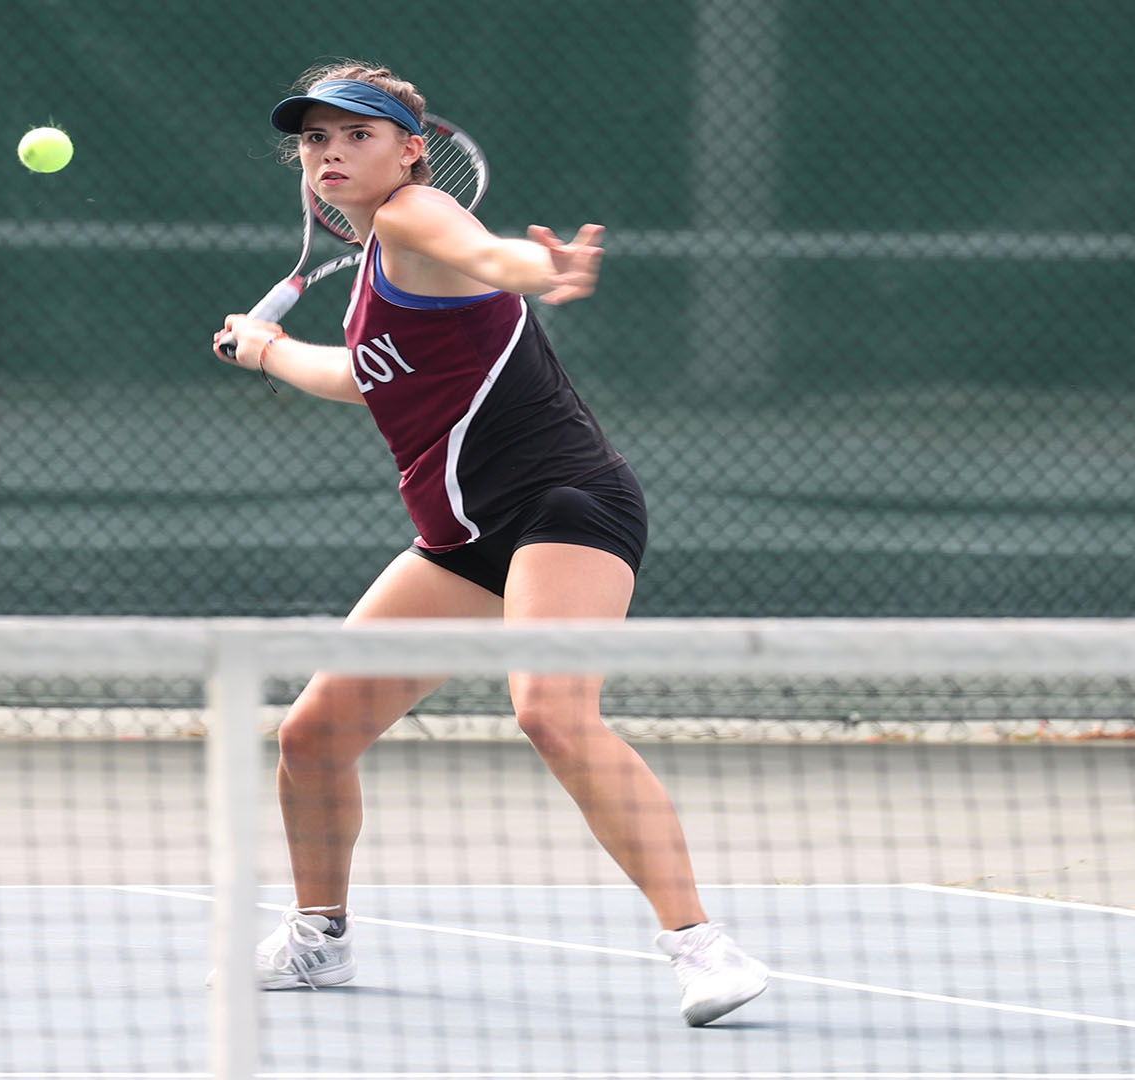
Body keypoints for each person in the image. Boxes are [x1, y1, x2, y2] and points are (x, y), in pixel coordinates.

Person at [210, 61, 768, 1026]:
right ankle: (319, 941)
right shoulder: (382, 271)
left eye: (356, 135)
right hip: (463, 537)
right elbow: (363, 375)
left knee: (552, 710)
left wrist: (534, 268)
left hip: (565, 504)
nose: (331, 153)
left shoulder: (414, 219)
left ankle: (702, 947)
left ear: (410, 152)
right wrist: (265, 351)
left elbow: (488, 253)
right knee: (313, 735)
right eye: (314, 140)